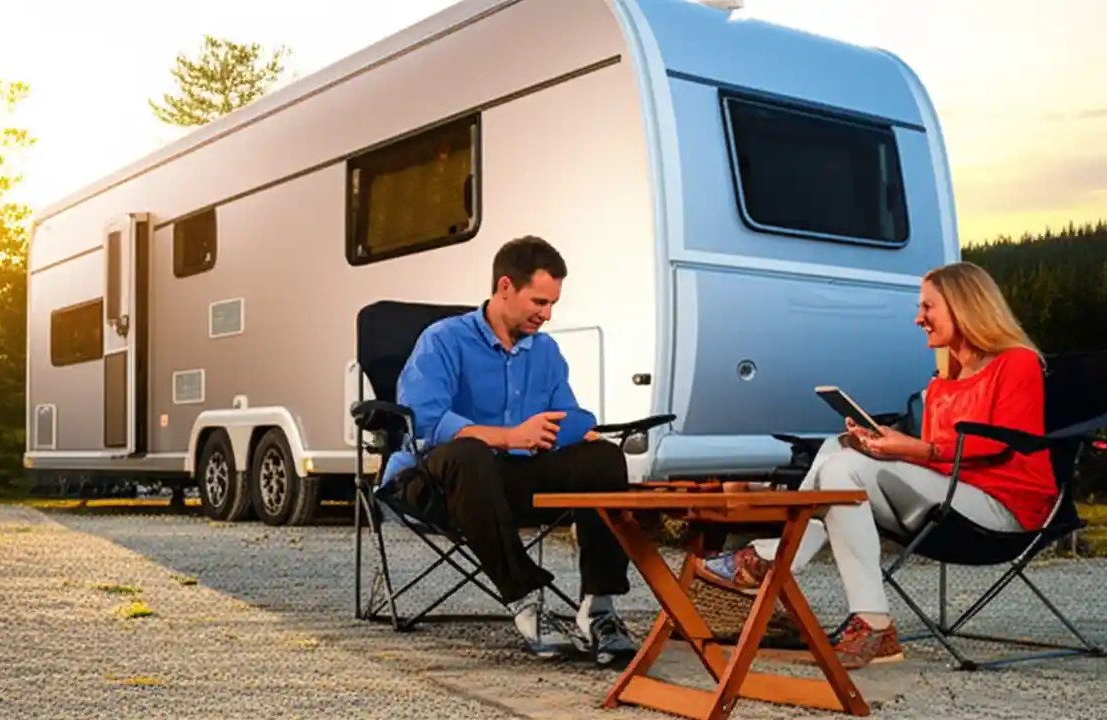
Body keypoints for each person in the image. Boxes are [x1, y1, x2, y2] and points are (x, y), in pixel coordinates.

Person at [697, 261, 1057, 669]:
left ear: (965, 305)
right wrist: (881, 443)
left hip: (1003, 508)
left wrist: (911, 449)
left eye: (928, 306)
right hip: (950, 495)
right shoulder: (943, 380)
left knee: (843, 470)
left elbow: (1000, 445)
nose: (918, 318)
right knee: (839, 449)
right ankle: (861, 618)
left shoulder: (1017, 363)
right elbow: (937, 453)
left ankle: (783, 563)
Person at [380, 235, 638, 666]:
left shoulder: (546, 350)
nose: (548, 314)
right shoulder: (443, 340)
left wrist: (574, 433)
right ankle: (526, 603)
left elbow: (567, 414)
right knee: (471, 453)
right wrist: (509, 437)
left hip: (510, 482)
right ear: (504, 286)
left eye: (553, 303)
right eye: (539, 300)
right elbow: (423, 421)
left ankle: (599, 609)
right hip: (435, 482)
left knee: (604, 457)